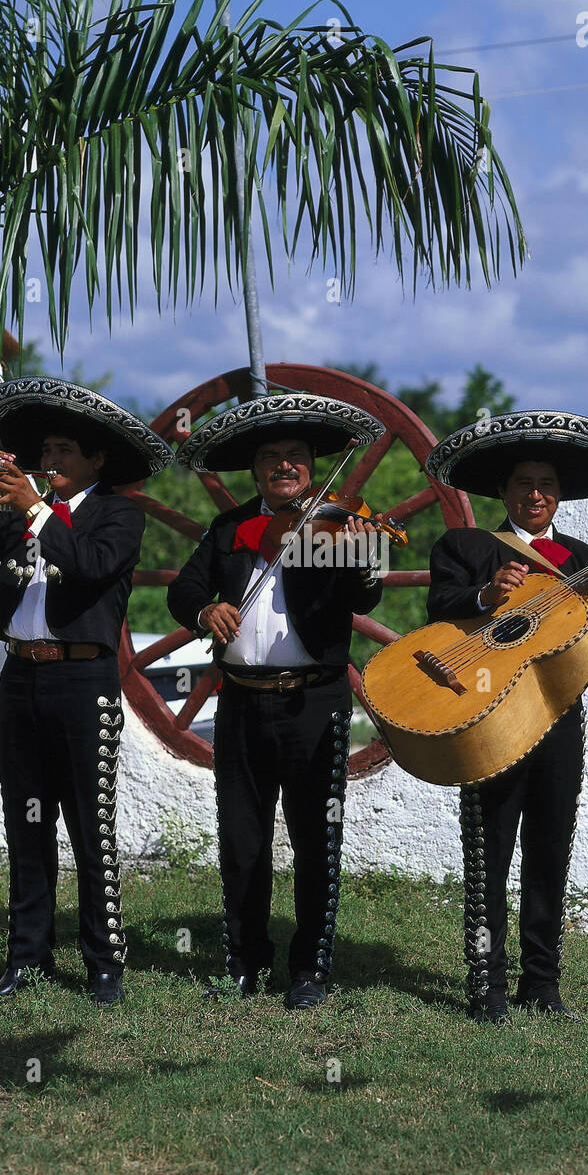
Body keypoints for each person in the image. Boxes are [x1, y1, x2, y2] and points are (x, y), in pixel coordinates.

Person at [0, 377, 172, 1006]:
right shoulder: (22, 518)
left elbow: (91, 564)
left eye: (66, 450)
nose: (51, 461)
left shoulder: (118, 513)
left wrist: (33, 508)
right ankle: (26, 957)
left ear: (96, 459)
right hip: (21, 678)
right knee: (27, 822)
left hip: (81, 680)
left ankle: (104, 964)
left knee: (90, 825)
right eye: (47, 450)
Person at [425, 412, 588, 1023]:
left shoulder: (580, 557)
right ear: (503, 492)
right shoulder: (465, 547)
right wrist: (485, 596)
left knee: (550, 851)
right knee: (489, 851)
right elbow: (439, 605)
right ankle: (487, 987)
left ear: (559, 496)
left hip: (557, 717)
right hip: (490, 719)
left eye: (546, 485)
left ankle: (542, 986)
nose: (535, 495)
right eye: (524, 483)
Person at [168, 393, 386, 1009]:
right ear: (256, 470)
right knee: (242, 840)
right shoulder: (230, 528)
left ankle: (310, 969)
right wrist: (203, 607)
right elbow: (183, 589)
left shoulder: (338, 526)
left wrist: (364, 562)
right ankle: (243, 960)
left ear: (313, 466)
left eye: (295, 456)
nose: (283, 466)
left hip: (314, 703)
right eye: (271, 458)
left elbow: (363, 600)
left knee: (317, 839)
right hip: (241, 703)